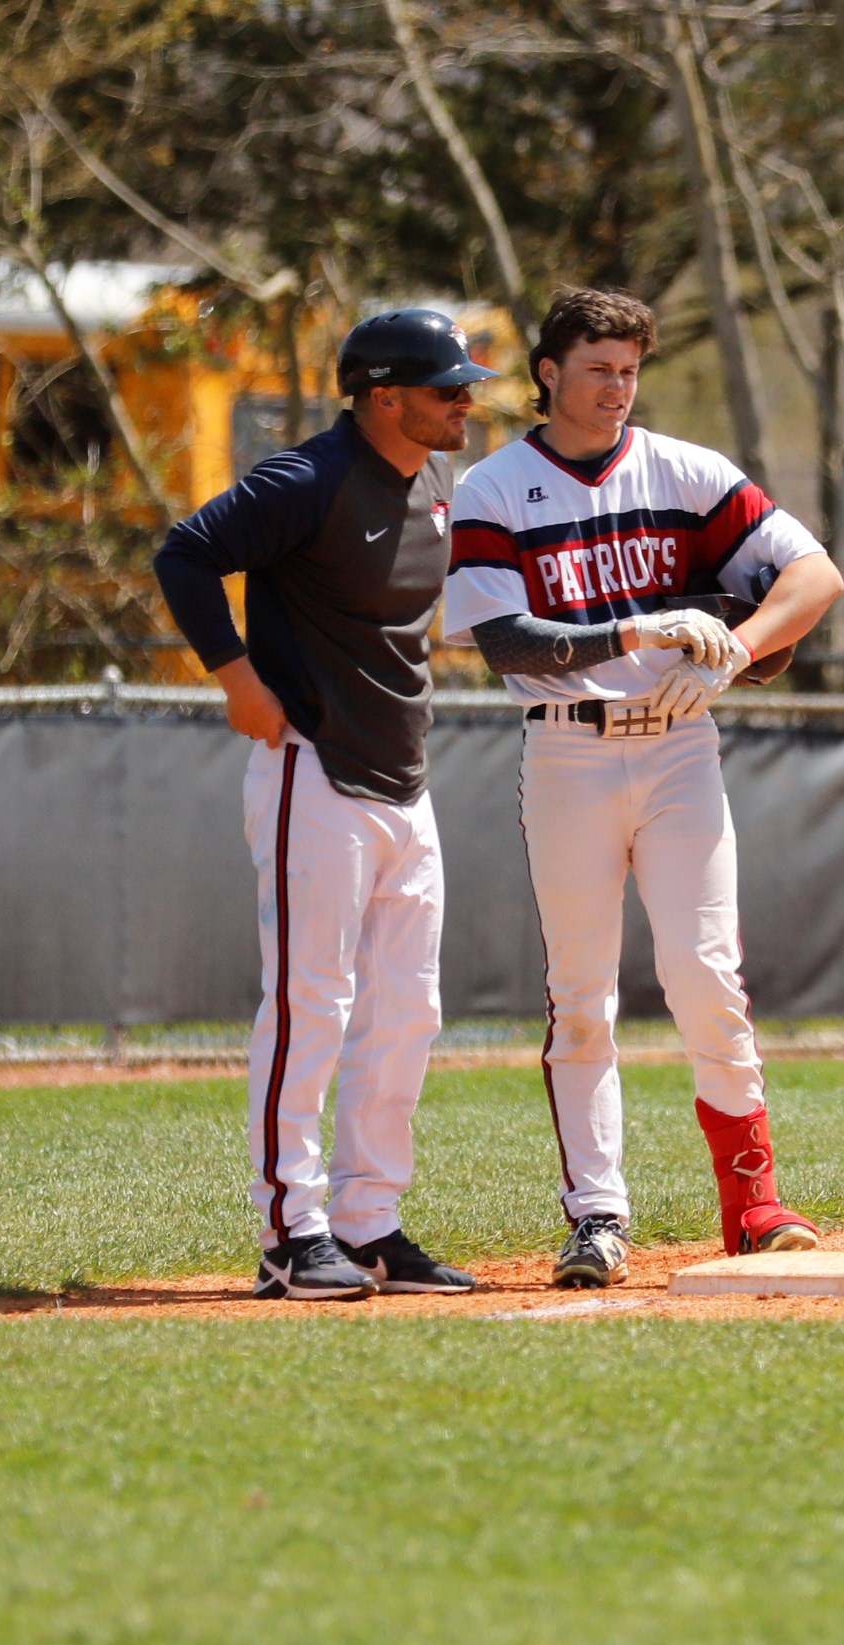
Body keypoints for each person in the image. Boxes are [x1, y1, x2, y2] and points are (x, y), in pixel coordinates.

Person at [441, 287, 844, 1288]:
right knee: (580, 996)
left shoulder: (687, 471)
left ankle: (752, 1206)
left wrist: (732, 651)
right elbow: (504, 642)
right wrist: (644, 628)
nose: (617, 389)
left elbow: (816, 577)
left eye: (629, 371)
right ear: (547, 372)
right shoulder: (496, 486)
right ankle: (598, 1217)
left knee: (707, 973)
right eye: (596, 370)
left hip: (679, 747)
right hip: (568, 747)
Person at [153, 309, 493, 1300]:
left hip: (405, 779)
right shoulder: (306, 478)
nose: (464, 402)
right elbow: (186, 550)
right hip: (314, 768)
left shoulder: (432, 482)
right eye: (446, 388)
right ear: (385, 396)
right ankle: (288, 1231)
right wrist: (234, 674)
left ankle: (370, 1221)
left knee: (408, 1012)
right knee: (313, 1006)